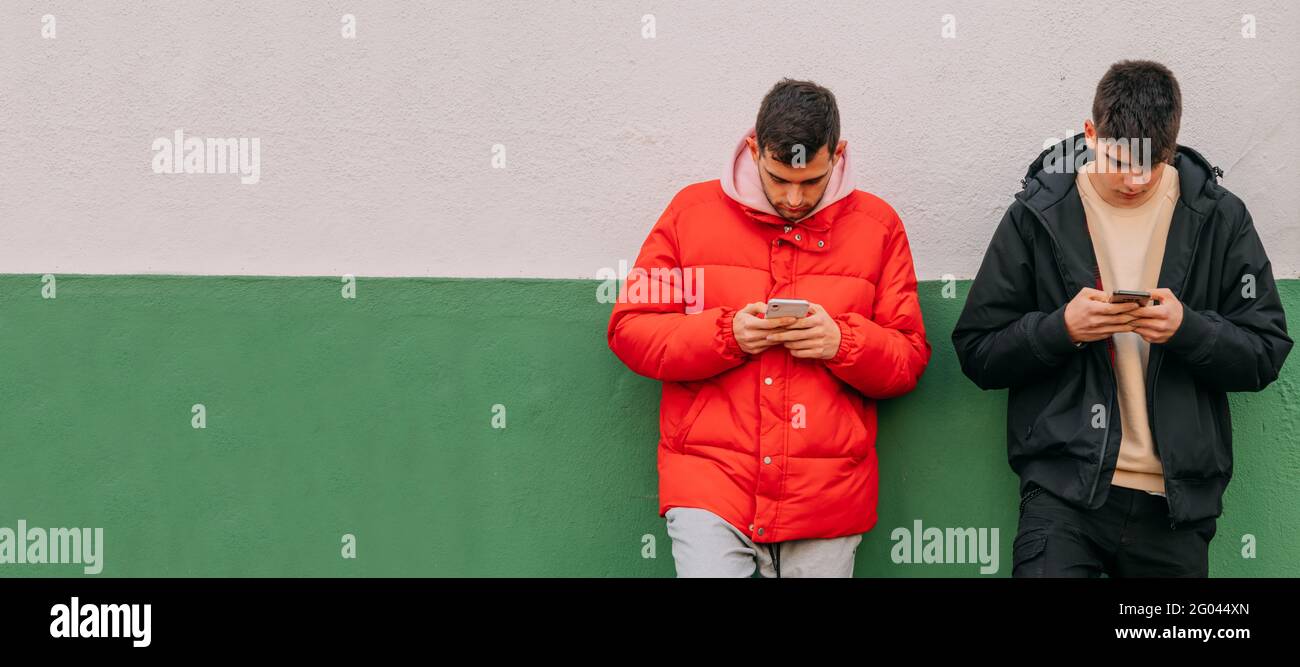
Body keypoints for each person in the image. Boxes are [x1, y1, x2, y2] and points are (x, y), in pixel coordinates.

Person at [952, 60, 1292, 577]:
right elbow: (977, 350)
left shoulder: (1219, 216)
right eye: (1118, 160)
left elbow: (1266, 352)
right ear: (1090, 134)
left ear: (1171, 150)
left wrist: (1189, 331)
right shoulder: (1038, 212)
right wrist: (1060, 330)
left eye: (1151, 164)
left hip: (1176, 507)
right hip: (1064, 495)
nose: (1133, 180)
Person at [607, 79, 930, 577]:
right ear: (754, 148)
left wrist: (841, 342)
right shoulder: (689, 214)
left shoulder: (878, 226)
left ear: (838, 154)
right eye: (779, 179)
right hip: (710, 482)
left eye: (811, 181)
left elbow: (908, 359)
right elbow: (630, 328)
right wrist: (725, 335)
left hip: (826, 496)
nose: (795, 198)